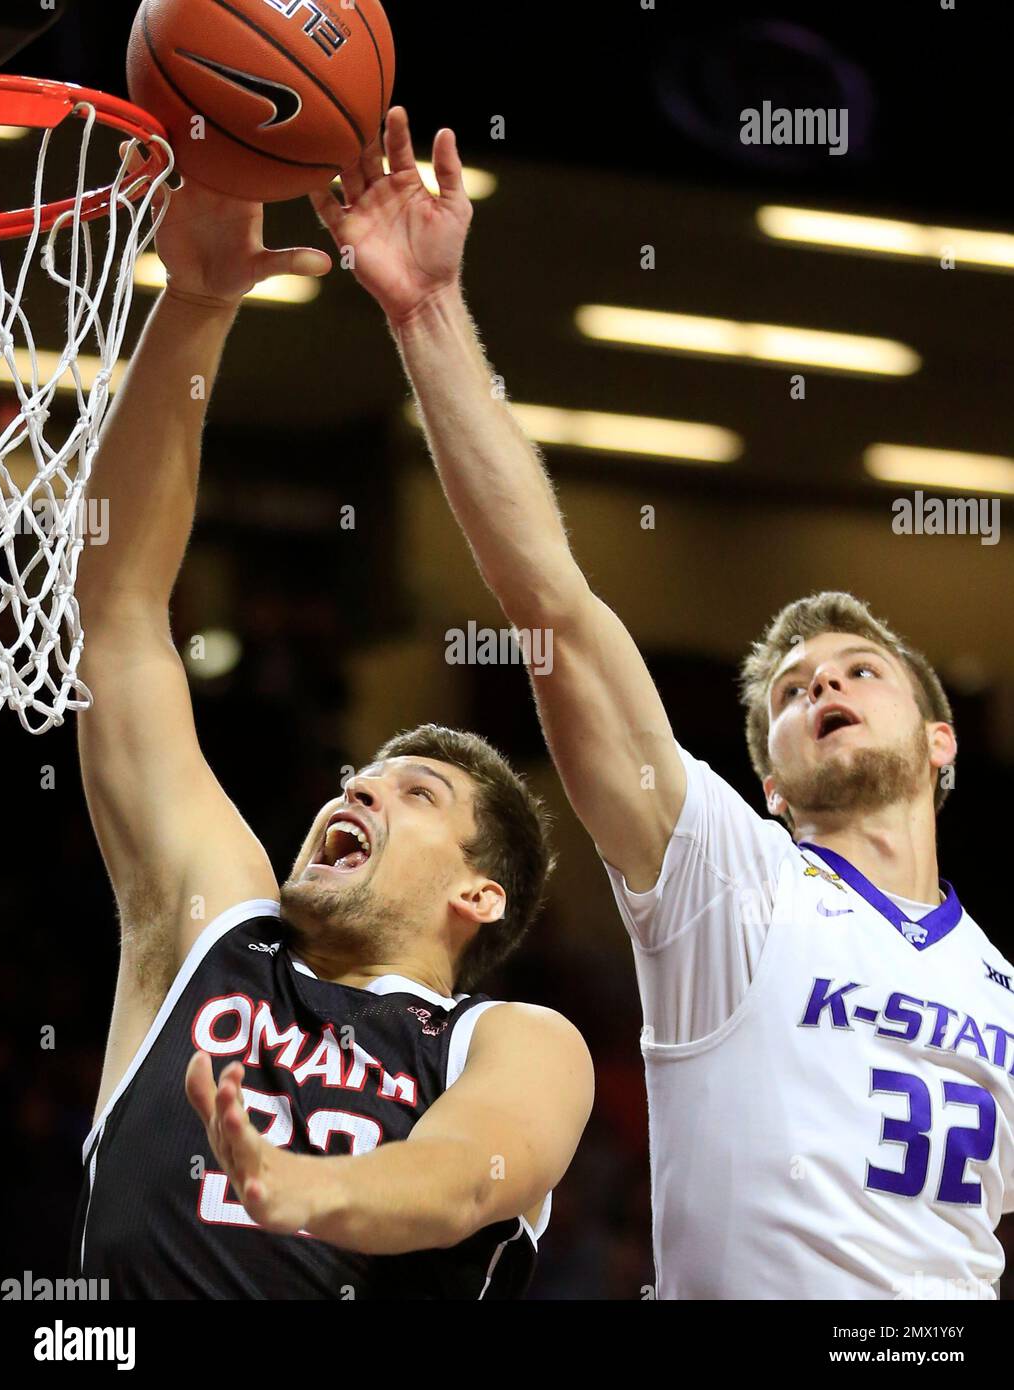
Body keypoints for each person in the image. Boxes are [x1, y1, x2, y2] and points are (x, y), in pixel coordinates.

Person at [347, 110, 1014, 1298]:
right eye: (794, 690)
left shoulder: (1001, 982)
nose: (824, 686)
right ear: (765, 779)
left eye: (858, 670)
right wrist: (424, 311)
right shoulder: (729, 880)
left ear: (940, 735)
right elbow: (551, 600)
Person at [68, 128, 593, 1300]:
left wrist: (299, 1188)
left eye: (418, 795)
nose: (358, 789)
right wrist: (195, 303)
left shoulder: (508, 1042)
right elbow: (119, 618)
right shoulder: (212, 935)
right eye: (362, 775)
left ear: (479, 894)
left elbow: (462, 1177)